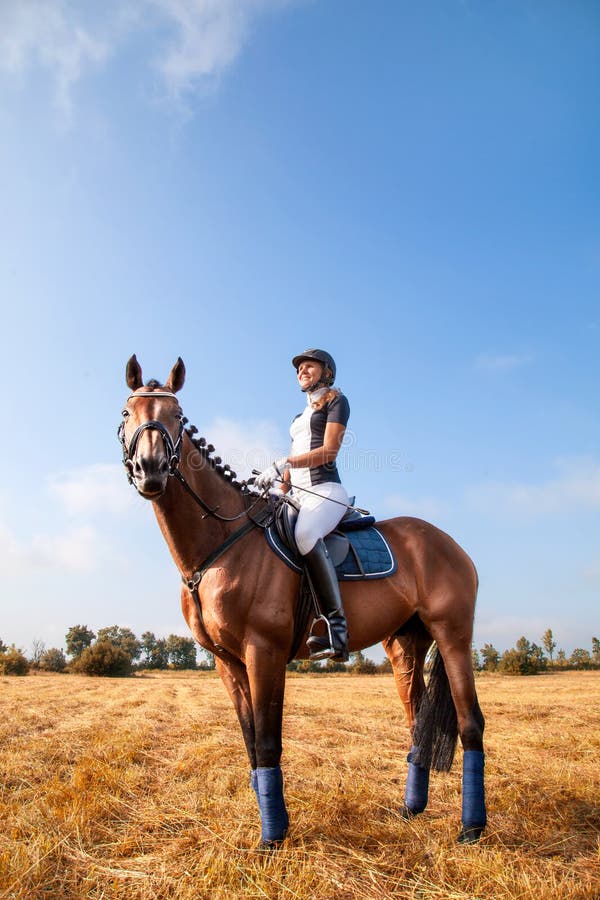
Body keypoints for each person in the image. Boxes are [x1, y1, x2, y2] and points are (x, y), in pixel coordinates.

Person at [255, 349, 350, 661]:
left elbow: (329, 451)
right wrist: (277, 488)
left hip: (326, 491)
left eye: (309, 366)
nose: (302, 371)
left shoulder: (337, 402)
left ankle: (336, 630)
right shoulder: (298, 418)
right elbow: (290, 471)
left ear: (326, 371)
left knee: (306, 535)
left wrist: (284, 460)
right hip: (297, 495)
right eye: (298, 368)